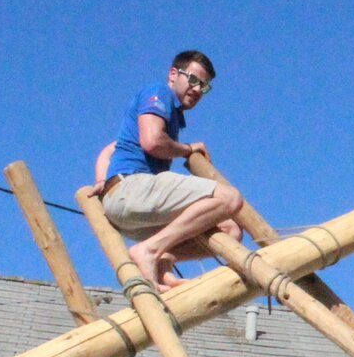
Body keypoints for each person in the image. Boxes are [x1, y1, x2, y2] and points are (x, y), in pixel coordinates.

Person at [92, 50, 244, 290]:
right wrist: (187, 149)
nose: (197, 90)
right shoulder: (158, 92)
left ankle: (163, 260)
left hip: (131, 212)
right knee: (230, 197)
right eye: (193, 80)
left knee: (230, 229)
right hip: (131, 190)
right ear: (173, 74)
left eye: (204, 87)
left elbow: (112, 148)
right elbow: (152, 142)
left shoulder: (172, 118)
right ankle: (150, 251)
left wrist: (101, 179)